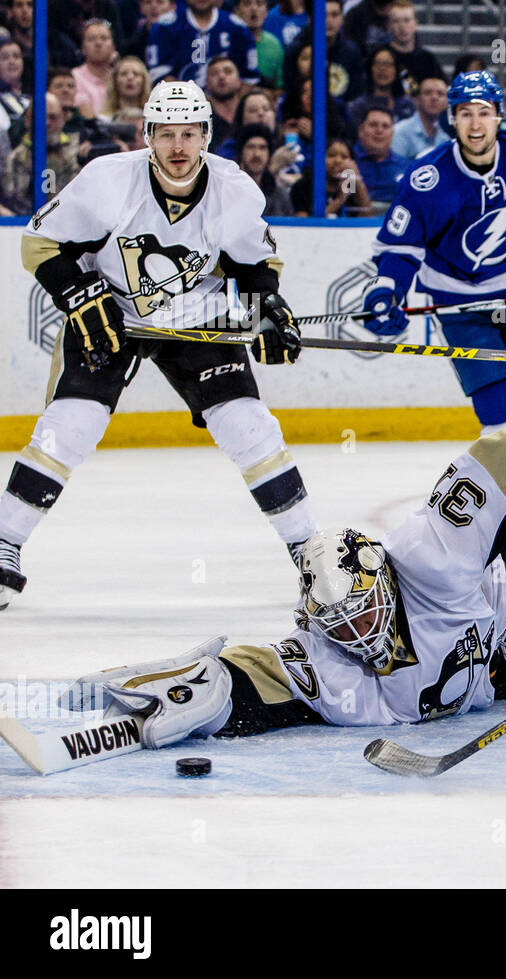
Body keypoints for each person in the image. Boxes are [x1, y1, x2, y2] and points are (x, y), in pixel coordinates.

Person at [48, 347, 506, 749]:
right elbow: (270, 679)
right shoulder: (333, 663)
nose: (358, 635)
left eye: (361, 613)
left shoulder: (424, 559)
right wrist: (217, 691)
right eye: (342, 623)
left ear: (383, 580)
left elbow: (487, 480)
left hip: (503, 578)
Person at [0, 81, 313, 611]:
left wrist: (267, 311)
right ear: (147, 136)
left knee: (250, 426)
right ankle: (4, 543)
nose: (177, 146)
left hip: (196, 319)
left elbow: (256, 265)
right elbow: (39, 243)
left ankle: (309, 554)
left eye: (189, 133)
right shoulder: (108, 181)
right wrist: (76, 293)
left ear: (206, 136)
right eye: (166, 133)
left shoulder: (233, 190)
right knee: (71, 426)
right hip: (112, 315)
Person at [362, 70, 506, 432]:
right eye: (465, 113)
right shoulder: (428, 178)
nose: (475, 123)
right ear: (452, 119)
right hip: (460, 305)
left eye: (483, 112)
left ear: (499, 115)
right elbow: (401, 249)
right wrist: (387, 287)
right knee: (501, 414)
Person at [145, 0, 259, 87]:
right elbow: (159, 75)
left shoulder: (236, 26)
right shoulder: (165, 26)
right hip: (179, 105)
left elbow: (249, 78)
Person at [0, 93, 80, 213]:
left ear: (63, 119)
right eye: (40, 117)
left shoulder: (79, 154)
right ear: (27, 119)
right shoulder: (13, 160)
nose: (46, 123)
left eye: (53, 117)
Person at [290, 136, 372, 217]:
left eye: (344, 157)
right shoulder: (302, 187)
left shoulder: (351, 187)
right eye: (331, 155)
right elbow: (305, 226)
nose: (338, 161)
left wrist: (357, 178)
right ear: (319, 158)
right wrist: (339, 200)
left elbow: (367, 215)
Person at [351, 103, 409, 209]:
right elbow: (344, 199)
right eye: (373, 125)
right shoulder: (348, 162)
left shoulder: (407, 167)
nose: (379, 130)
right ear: (360, 131)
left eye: (385, 126)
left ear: (392, 134)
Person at [347, 46, 415, 130]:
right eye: (378, 64)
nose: (382, 69)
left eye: (388, 64)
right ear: (370, 69)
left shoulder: (407, 104)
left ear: (396, 70)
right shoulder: (359, 106)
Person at [237, 122, 293, 215]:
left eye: (262, 148)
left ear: (269, 154)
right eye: (251, 147)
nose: (257, 154)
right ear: (241, 152)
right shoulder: (229, 190)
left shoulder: (280, 196)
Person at [391, 74, 450, 159]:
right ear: (417, 100)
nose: (434, 98)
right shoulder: (400, 132)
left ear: (447, 103)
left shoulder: (446, 137)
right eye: (428, 93)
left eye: (440, 94)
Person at [386, 0, 443, 85]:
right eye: (396, 21)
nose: (402, 27)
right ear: (389, 25)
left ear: (415, 24)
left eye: (407, 20)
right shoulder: (381, 57)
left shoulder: (428, 60)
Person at [72, 18, 117, 120]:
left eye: (104, 38)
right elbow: (86, 117)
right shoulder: (74, 77)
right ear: (83, 48)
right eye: (91, 39)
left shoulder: (121, 77)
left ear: (113, 46)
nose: (98, 43)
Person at [234, 0, 285, 90]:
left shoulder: (274, 44)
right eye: (247, 4)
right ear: (236, 11)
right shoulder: (229, 41)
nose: (254, 8)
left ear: (266, 12)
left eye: (259, 3)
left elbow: (279, 86)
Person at [103, 55, 150, 119]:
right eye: (124, 74)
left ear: (144, 81)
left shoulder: (153, 120)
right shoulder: (104, 120)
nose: (130, 77)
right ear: (115, 81)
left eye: (136, 74)